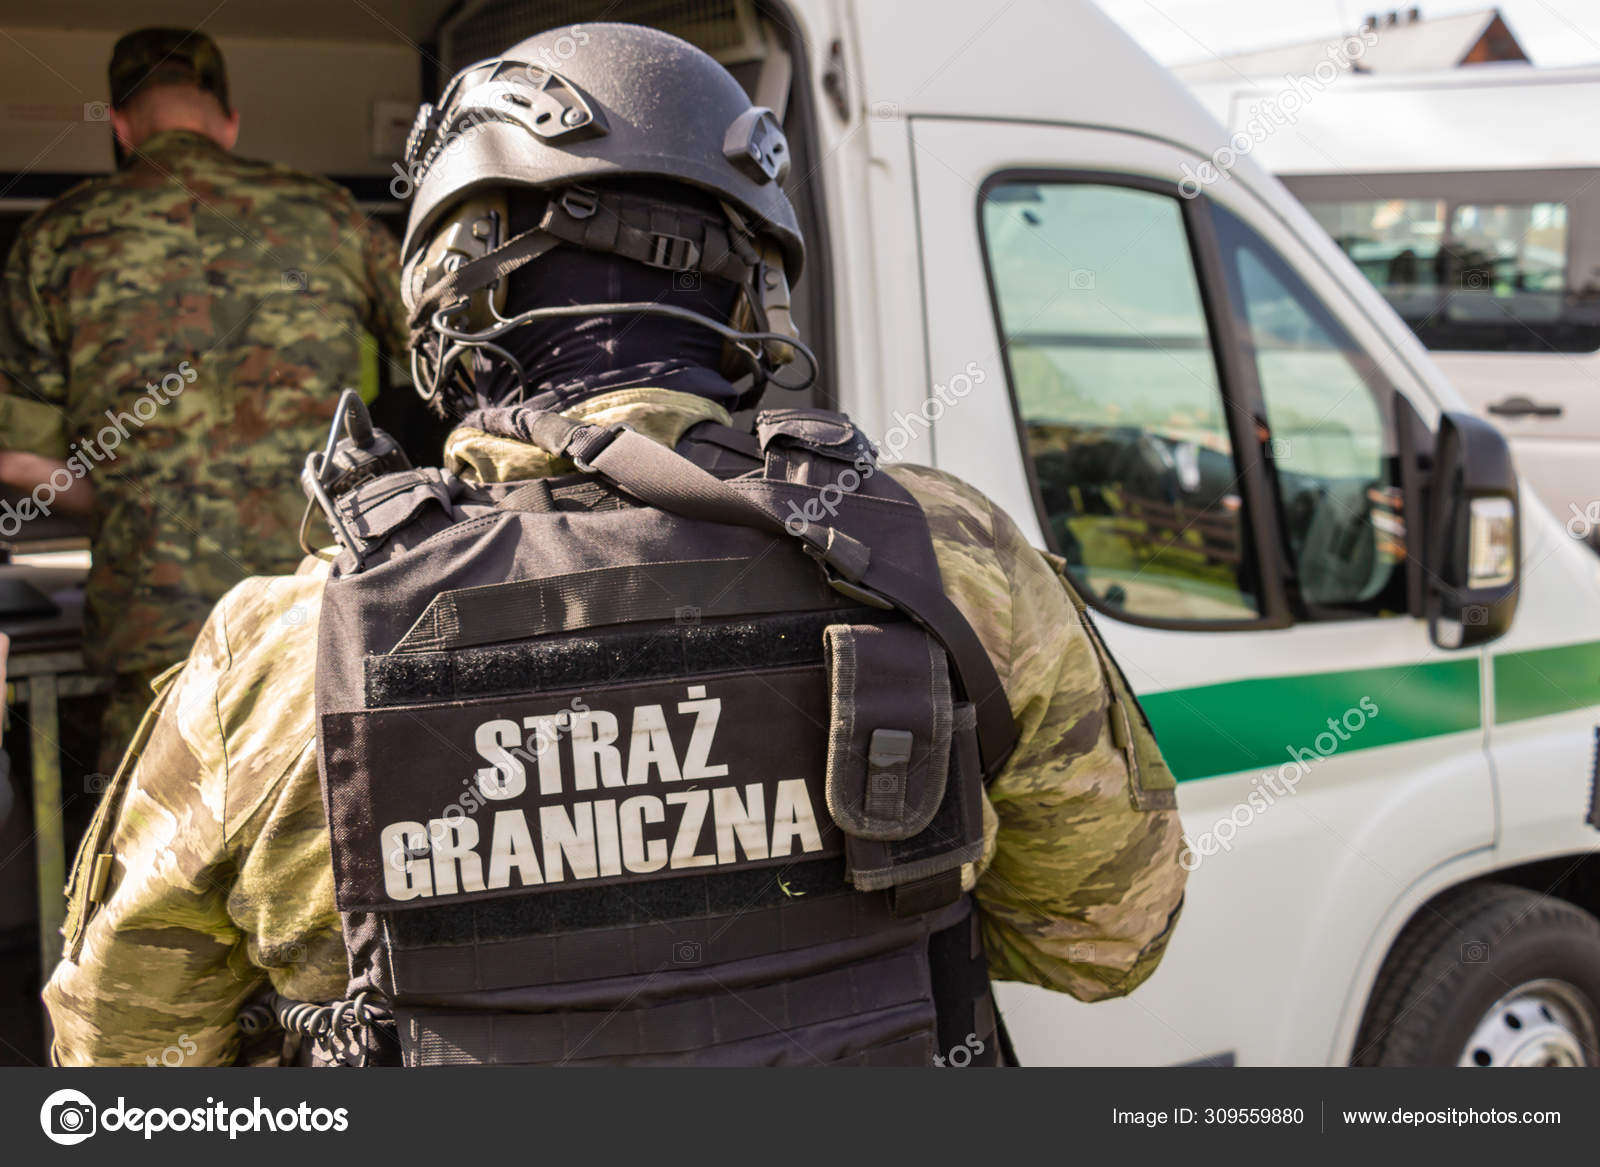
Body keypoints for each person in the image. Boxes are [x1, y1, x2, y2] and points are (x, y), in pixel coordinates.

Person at [43, 24, 1187, 1067]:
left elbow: (120, 1055)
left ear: (446, 296)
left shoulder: (282, 652)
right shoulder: (948, 557)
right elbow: (1107, 937)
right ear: (753, 295)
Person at [0, 28, 409, 771]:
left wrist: (130, 502)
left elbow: (19, 460)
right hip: (322, 609)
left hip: (156, 636)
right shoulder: (329, 214)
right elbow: (451, 364)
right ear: (229, 121)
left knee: (158, 836)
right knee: (337, 825)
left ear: (119, 125)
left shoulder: (55, 237)